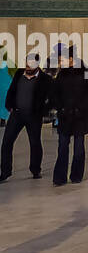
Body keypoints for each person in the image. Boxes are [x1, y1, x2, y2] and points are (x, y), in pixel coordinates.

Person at [49, 45, 88, 186]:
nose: (60, 62)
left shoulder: (86, 71)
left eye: (62, 59)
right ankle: (59, 177)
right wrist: (60, 107)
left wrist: (80, 107)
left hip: (80, 117)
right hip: (64, 116)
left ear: (71, 59)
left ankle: (76, 175)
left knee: (78, 148)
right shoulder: (61, 74)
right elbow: (54, 93)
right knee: (62, 147)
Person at [1, 53, 51, 183]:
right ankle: (5, 171)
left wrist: (43, 111)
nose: (28, 66)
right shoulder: (19, 74)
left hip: (33, 116)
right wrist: (9, 105)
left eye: (31, 64)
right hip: (16, 114)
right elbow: (12, 90)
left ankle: (35, 170)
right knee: (7, 142)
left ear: (37, 64)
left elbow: (52, 98)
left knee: (35, 143)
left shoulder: (45, 79)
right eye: (27, 63)